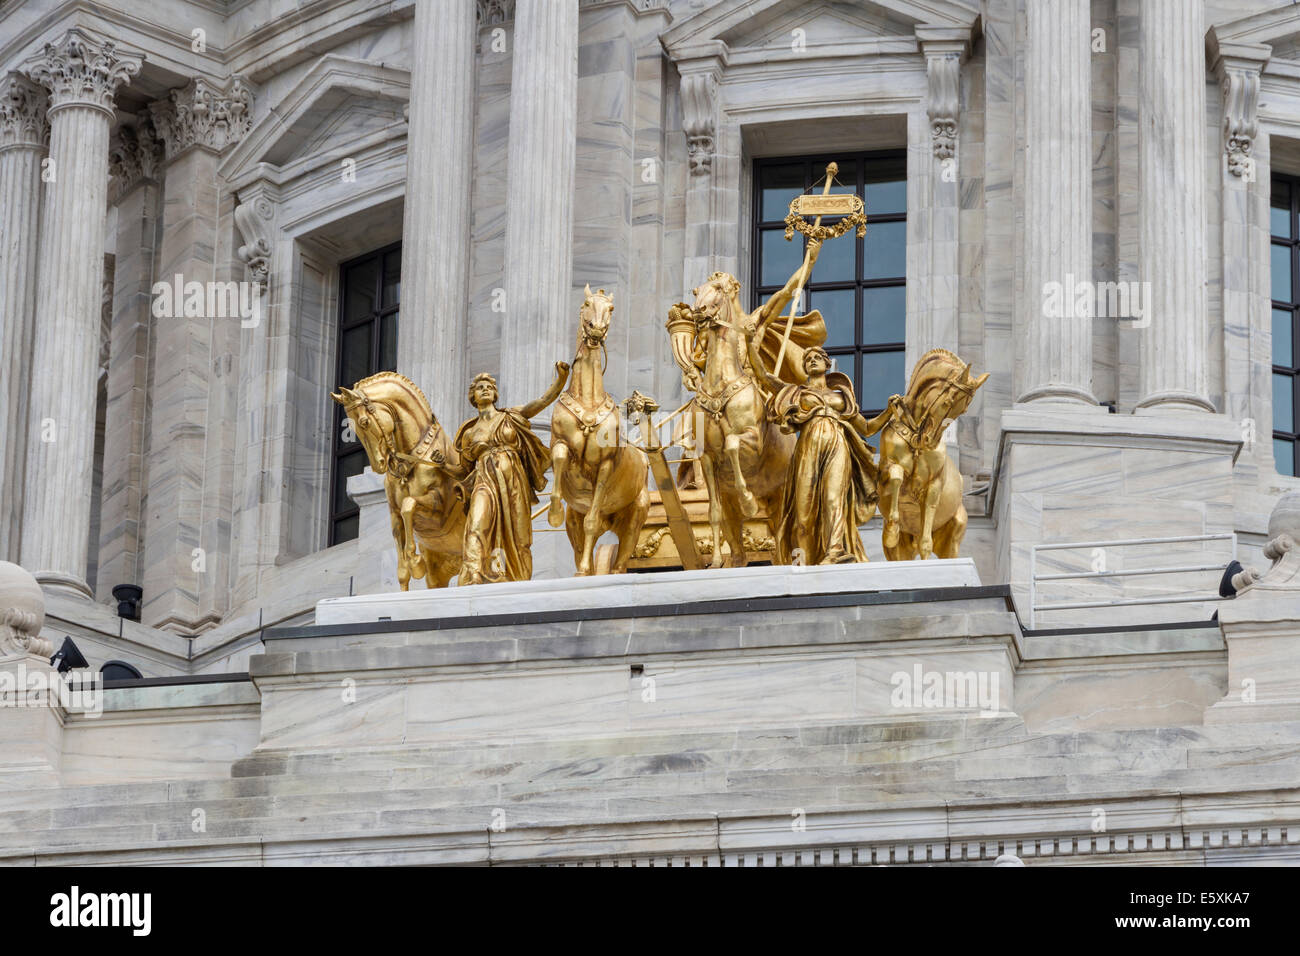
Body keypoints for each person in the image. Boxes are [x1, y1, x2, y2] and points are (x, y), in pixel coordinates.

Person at [748, 338, 878, 565]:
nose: (812, 360)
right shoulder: (796, 393)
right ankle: (802, 562)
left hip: (837, 443)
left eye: (817, 357)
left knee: (833, 499)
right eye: (808, 359)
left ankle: (835, 551)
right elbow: (764, 376)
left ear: (827, 365)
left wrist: (893, 411)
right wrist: (750, 343)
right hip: (808, 447)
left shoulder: (841, 396)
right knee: (803, 514)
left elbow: (867, 428)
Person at [452, 363, 569, 584]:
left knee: (519, 535)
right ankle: (474, 573)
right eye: (480, 387)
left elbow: (542, 402)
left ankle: (519, 579)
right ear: (473, 397)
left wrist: (561, 380)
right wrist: (440, 465)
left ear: (495, 394)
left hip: (514, 480)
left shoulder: (511, 416)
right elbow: (462, 470)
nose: (485, 389)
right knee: (477, 523)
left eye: (489, 386)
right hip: (484, 481)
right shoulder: (469, 432)